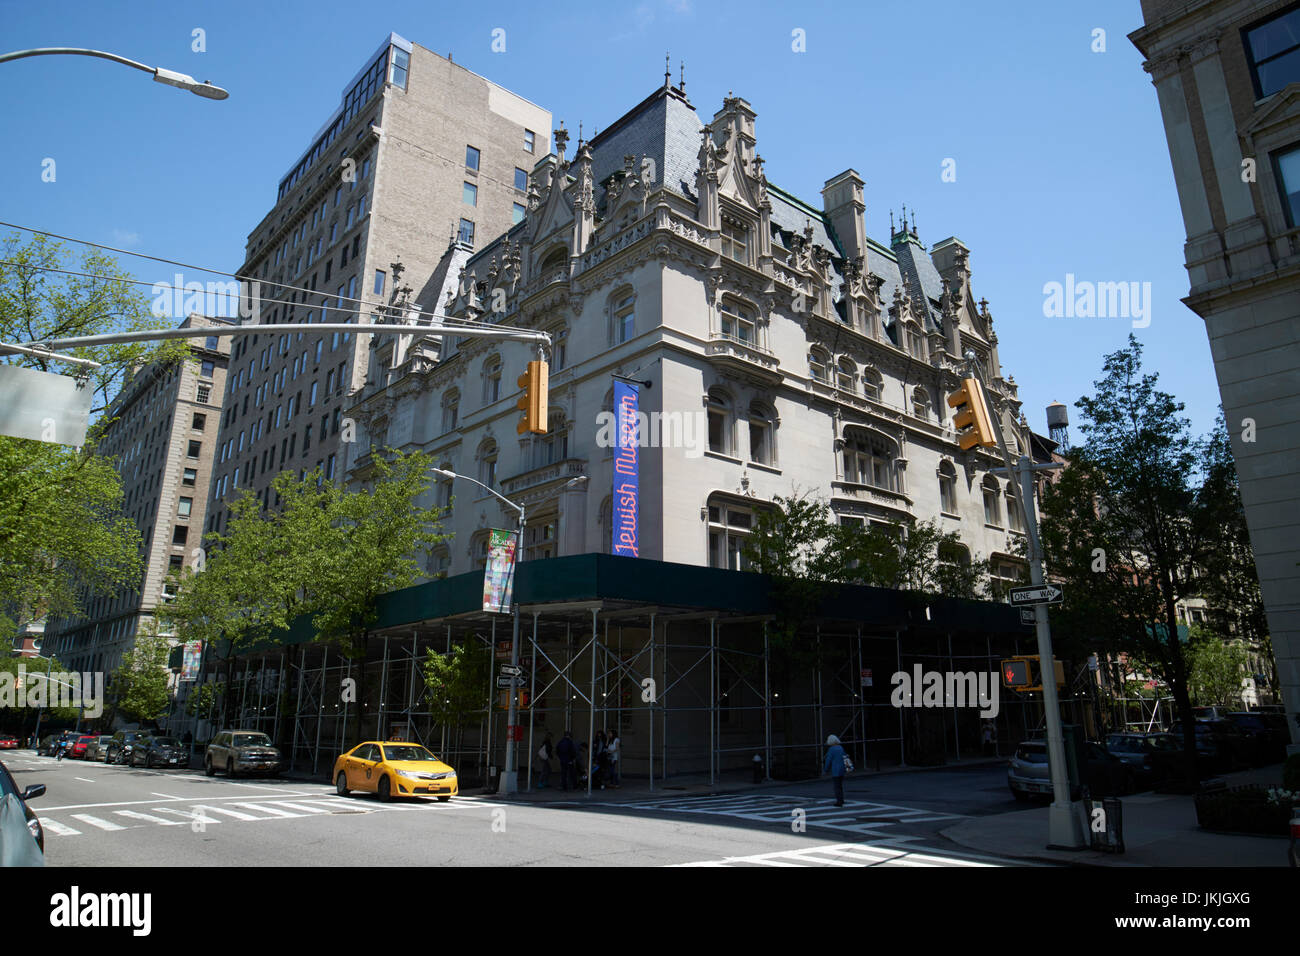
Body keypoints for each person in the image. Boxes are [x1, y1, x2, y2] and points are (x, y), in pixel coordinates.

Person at [823, 734, 847, 807]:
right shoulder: (841, 748)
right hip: (842, 768)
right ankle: (841, 799)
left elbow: (828, 760)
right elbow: (845, 757)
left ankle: (839, 801)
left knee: (836, 786)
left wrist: (825, 769)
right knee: (840, 785)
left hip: (836, 769)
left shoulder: (831, 749)